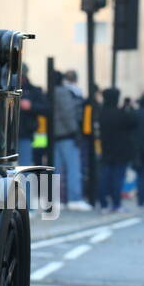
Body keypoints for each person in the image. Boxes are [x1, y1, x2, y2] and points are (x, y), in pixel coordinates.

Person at [53, 69, 90, 210]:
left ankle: (56, 200)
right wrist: (75, 131)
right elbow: (68, 113)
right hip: (67, 135)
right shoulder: (64, 92)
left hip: (55, 136)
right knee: (73, 169)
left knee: (56, 170)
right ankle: (75, 198)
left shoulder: (52, 91)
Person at [97, 87, 137, 213]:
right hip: (121, 152)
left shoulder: (102, 113)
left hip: (106, 150)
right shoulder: (121, 114)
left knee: (105, 178)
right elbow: (133, 121)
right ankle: (116, 204)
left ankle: (103, 203)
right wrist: (127, 107)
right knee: (117, 179)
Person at [19, 63, 47, 165]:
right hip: (7, 137)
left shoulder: (33, 90)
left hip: (26, 135)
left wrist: (30, 106)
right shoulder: (9, 87)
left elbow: (45, 109)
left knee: (25, 167)